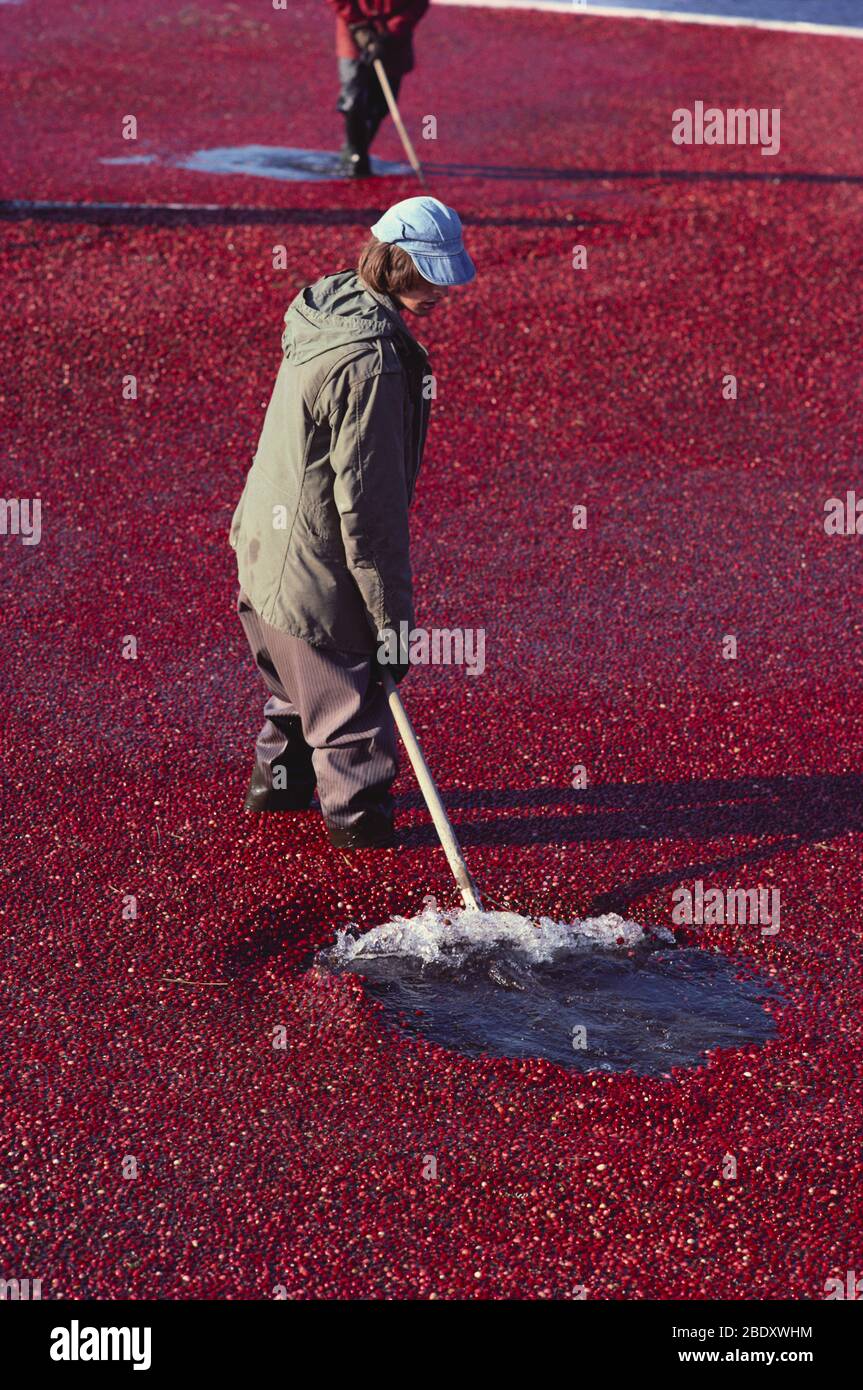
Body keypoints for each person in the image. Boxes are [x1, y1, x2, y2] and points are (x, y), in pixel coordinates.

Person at [230, 197, 476, 849]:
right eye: (428, 275)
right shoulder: (371, 364)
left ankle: (277, 789)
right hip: (313, 564)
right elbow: (368, 515)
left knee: (292, 683)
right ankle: (359, 839)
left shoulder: (328, 302)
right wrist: (391, 625)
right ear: (396, 265)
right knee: (349, 709)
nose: (439, 292)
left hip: (262, 545)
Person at [327, 0, 430, 178]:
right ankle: (356, 157)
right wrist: (358, 25)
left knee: (381, 103)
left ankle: (360, 145)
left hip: (394, 37)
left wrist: (390, 33)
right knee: (353, 97)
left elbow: (417, 5)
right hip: (354, 29)